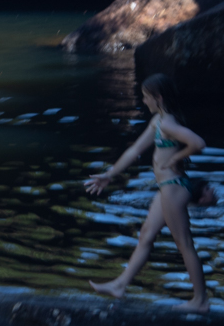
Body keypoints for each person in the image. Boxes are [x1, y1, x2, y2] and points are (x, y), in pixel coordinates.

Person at [84, 73, 211, 312]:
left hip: (174, 188)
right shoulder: (158, 121)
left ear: (158, 97)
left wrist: (176, 156)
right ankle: (120, 285)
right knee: (146, 235)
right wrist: (110, 174)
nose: (143, 101)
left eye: (146, 97)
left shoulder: (168, 124)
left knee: (184, 243)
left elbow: (199, 143)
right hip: (166, 189)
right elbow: (135, 151)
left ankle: (200, 301)